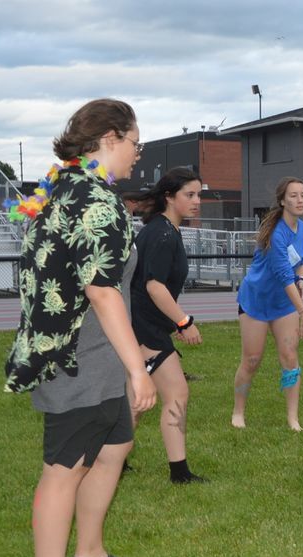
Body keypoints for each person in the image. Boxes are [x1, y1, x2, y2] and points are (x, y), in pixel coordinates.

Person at [3, 98, 156, 557]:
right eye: (136, 142)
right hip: (80, 356)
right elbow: (103, 291)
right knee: (63, 467)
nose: (139, 153)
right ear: (111, 138)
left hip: (91, 352)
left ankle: (88, 552)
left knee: (114, 446)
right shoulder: (95, 200)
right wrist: (140, 369)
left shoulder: (60, 188)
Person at [130, 167, 206, 484]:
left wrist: (169, 319)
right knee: (176, 392)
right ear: (169, 197)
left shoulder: (164, 230)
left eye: (199, 194)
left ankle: (107, 461)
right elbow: (154, 287)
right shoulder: (162, 233)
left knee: (137, 401)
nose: (197, 201)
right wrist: (183, 321)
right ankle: (180, 473)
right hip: (142, 325)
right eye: (189, 195)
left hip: (141, 323)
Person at [232, 177, 303, 431]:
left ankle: (293, 419)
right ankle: (238, 413)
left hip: (283, 303)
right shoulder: (276, 234)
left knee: (290, 357)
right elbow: (282, 275)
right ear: (282, 201)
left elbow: (302, 259)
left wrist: (302, 277)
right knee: (252, 359)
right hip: (256, 301)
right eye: (293, 196)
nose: (299, 200)